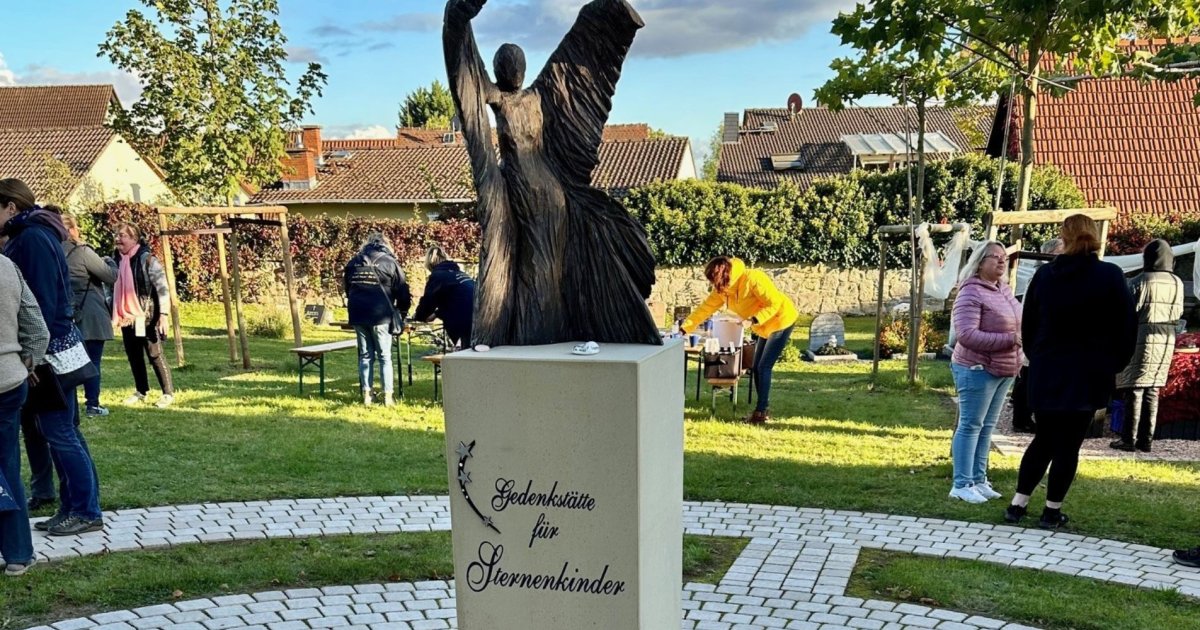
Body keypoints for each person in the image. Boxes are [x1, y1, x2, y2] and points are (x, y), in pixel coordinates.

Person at [1006, 214, 1136, 529]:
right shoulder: (1110, 276)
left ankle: (1018, 504)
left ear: (1063, 238)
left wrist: (1038, 357)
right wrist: (1113, 365)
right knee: (1069, 444)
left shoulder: (1045, 276)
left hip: (1049, 369)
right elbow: (1126, 327)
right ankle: (1051, 510)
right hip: (1089, 372)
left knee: (1044, 439)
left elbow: (1030, 324)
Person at [0, 178, 103, 536]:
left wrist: (33, 355)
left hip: (51, 352)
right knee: (64, 430)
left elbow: (39, 302)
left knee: (59, 431)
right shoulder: (37, 233)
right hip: (59, 345)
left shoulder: (30, 238)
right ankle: (74, 506)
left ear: (10, 207)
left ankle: (86, 510)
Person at [680, 256, 798, 424]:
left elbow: (775, 303)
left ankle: (761, 412)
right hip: (762, 326)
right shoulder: (722, 290)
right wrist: (685, 328)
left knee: (763, 366)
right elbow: (705, 309)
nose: (714, 286)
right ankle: (762, 408)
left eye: (715, 280)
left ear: (724, 275)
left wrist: (752, 320)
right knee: (756, 367)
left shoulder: (753, 278)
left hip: (781, 320)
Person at [947, 241, 1022, 504]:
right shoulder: (970, 293)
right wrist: (1011, 339)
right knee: (970, 425)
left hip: (1004, 368)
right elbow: (966, 335)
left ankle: (979, 479)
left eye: (1004, 258)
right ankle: (961, 483)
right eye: (995, 257)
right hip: (977, 367)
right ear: (980, 262)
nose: (1002, 262)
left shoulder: (1003, 289)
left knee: (987, 426)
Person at [1110, 239, 1184, 453]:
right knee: (1153, 388)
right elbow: (1178, 313)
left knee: (1135, 388)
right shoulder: (1177, 282)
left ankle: (1128, 439)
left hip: (1141, 336)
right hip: (1166, 339)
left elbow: (1125, 312)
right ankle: (1146, 441)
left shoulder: (1140, 281)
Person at [0, 253, 49, 575]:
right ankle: (18, 553)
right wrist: (28, 361)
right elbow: (36, 327)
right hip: (7, 376)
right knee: (7, 465)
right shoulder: (6, 266)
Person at [59, 214, 117, 417]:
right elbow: (110, 276)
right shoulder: (82, 252)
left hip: (66, 312)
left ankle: (70, 405)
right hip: (91, 313)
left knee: (69, 361)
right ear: (73, 230)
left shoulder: (53, 253)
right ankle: (92, 403)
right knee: (93, 360)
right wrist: (110, 261)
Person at [112, 222, 174, 409]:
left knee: (154, 353)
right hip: (126, 316)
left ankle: (167, 393)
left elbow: (162, 288)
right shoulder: (115, 261)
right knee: (134, 354)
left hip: (147, 315)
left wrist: (163, 314)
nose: (118, 239)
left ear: (134, 238)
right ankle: (141, 391)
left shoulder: (148, 260)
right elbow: (110, 287)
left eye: (122, 235)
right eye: (117, 234)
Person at [344, 233, 411, 406]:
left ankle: (367, 394)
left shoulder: (353, 262)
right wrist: (402, 313)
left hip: (357, 313)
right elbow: (403, 292)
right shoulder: (390, 262)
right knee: (384, 356)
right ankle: (388, 396)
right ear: (385, 245)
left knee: (365, 355)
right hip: (381, 314)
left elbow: (347, 289)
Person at [1010, 238, 1065, 434]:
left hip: (1040, 339)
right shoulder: (1042, 276)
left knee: (1029, 379)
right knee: (1027, 381)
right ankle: (1021, 418)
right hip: (1035, 338)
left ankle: (1024, 417)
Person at [413, 245, 476, 349]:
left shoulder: (438, 276)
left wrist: (419, 316)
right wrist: (438, 313)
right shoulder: (461, 274)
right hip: (476, 317)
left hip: (462, 322)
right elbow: (456, 300)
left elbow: (428, 301)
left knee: (465, 352)